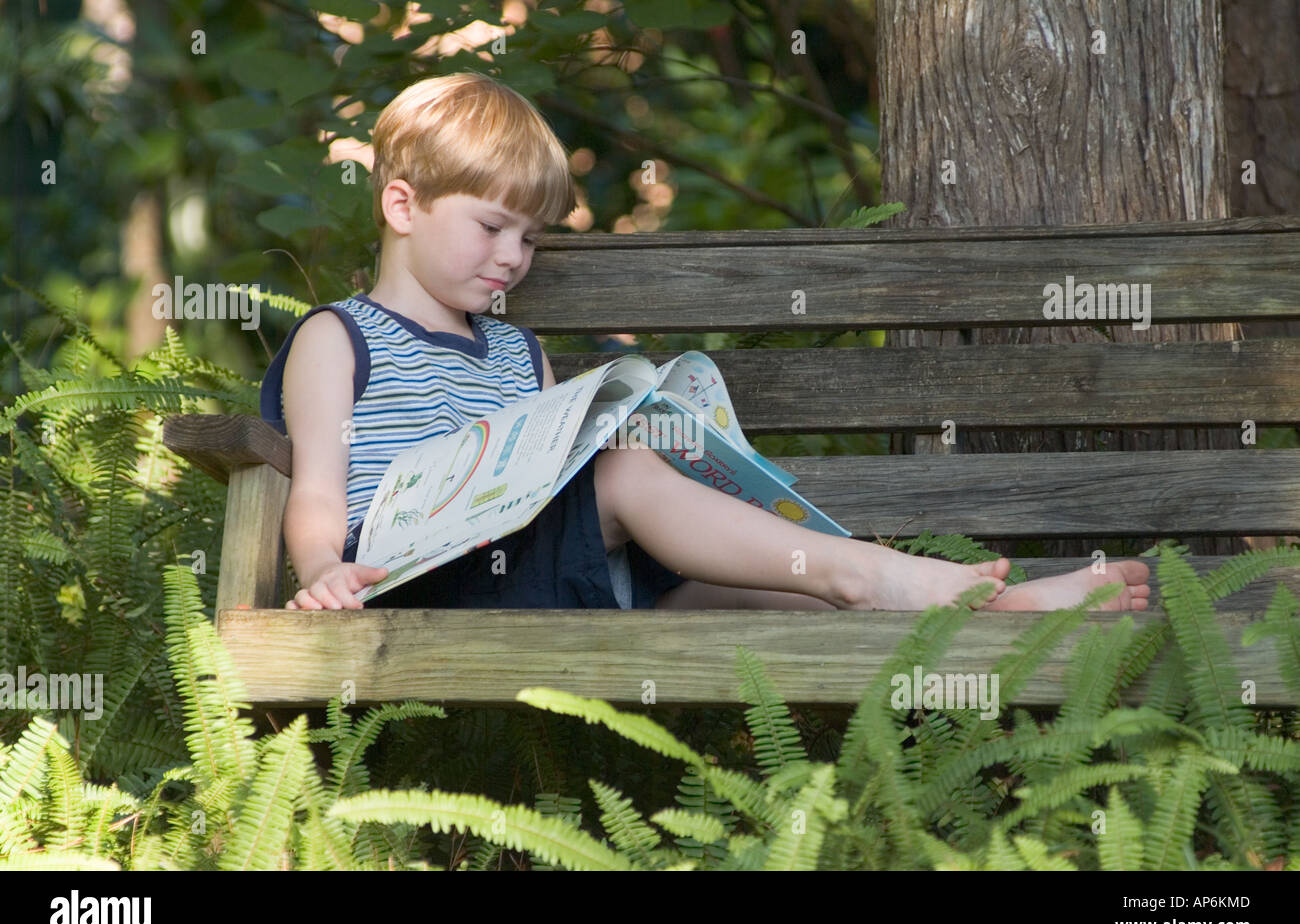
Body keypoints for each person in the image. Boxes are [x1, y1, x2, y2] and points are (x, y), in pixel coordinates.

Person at [261, 72, 1151, 614]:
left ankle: (987, 610)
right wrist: (323, 574)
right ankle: (874, 577)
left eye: (531, 239)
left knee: (718, 574)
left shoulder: (512, 352)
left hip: (535, 572)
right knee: (621, 476)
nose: (512, 257)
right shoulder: (339, 340)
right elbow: (317, 493)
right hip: (417, 582)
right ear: (403, 205)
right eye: (493, 227)